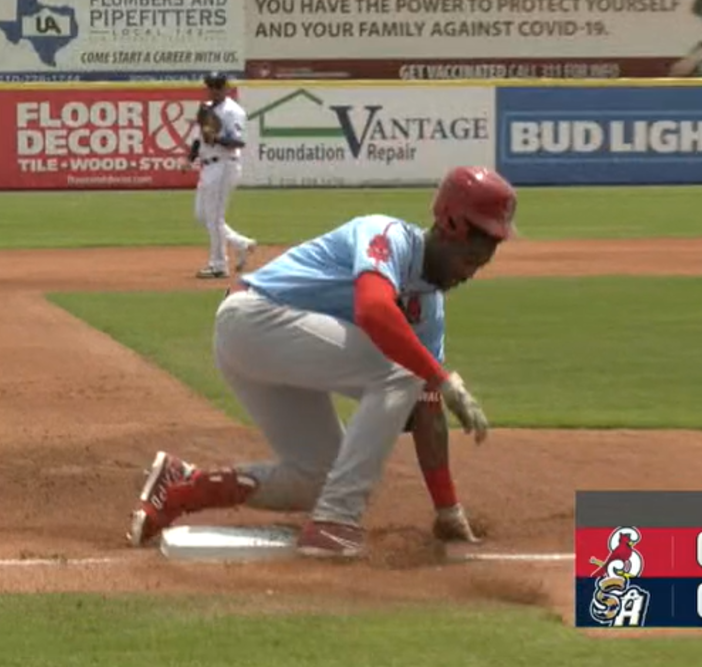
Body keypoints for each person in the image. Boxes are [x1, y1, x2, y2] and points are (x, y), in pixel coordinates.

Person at [127, 166, 514, 558]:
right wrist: (439, 377)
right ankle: (336, 521)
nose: (471, 271)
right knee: (406, 370)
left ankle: (183, 486)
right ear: (448, 224)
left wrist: (448, 508)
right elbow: (374, 310)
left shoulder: (429, 308)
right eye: (470, 257)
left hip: (273, 351)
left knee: (320, 476)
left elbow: (428, 407)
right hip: (252, 320)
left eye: (481, 262)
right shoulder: (387, 236)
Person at [189, 71, 256, 279]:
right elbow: (200, 139)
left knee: (215, 218)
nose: (213, 90)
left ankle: (219, 265)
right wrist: (189, 159)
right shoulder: (207, 108)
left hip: (224, 166)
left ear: (226, 88)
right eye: (210, 86)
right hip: (208, 166)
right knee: (202, 215)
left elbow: (238, 142)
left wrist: (216, 138)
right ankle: (241, 244)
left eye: (218, 86)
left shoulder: (233, 112)